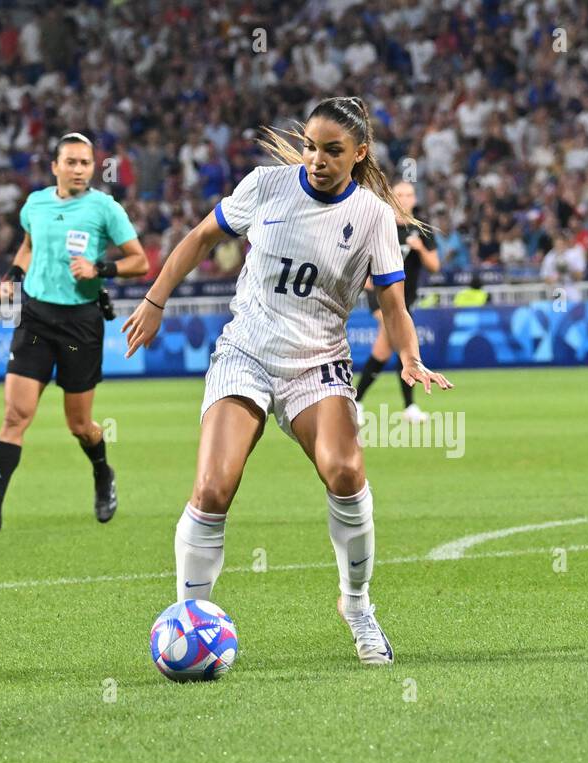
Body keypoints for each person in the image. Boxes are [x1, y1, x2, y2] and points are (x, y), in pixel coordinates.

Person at [122, 96, 453, 666]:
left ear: (359, 154)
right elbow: (202, 237)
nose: (317, 159)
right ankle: (190, 617)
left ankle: (357, 605)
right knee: (211, 489)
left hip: (317, 363)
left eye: (333, 151)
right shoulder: (267, 187)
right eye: (310, 146)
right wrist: (155, 299)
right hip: (245, 353)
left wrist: (410, 358)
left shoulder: (374, 217)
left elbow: (393, 305)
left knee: (346, 472)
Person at [0, 133, 147, 532]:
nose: (79, 169)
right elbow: (27, 245)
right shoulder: (36, 204)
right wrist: (12, 276)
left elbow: (139, 261)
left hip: (81, 323)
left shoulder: (104, 209)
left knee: (79, 425)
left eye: (86, 163)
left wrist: (101, 270)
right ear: (55, 166)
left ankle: (102, 472)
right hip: (36, 319)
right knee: (15, 414)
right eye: (72, 162)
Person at [354, 179, 440, 424]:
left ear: (414, 199)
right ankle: (408, 405)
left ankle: (358, 401)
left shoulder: (421, 230)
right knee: (399, 342)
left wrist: (420, 248)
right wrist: (365, 279)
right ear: (391, 197)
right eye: (399, 194)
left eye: (408, 194)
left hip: (405, 301)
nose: (403, 198)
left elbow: (434, 266)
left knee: (385, 349)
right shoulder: (382, 225)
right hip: (382, 296)